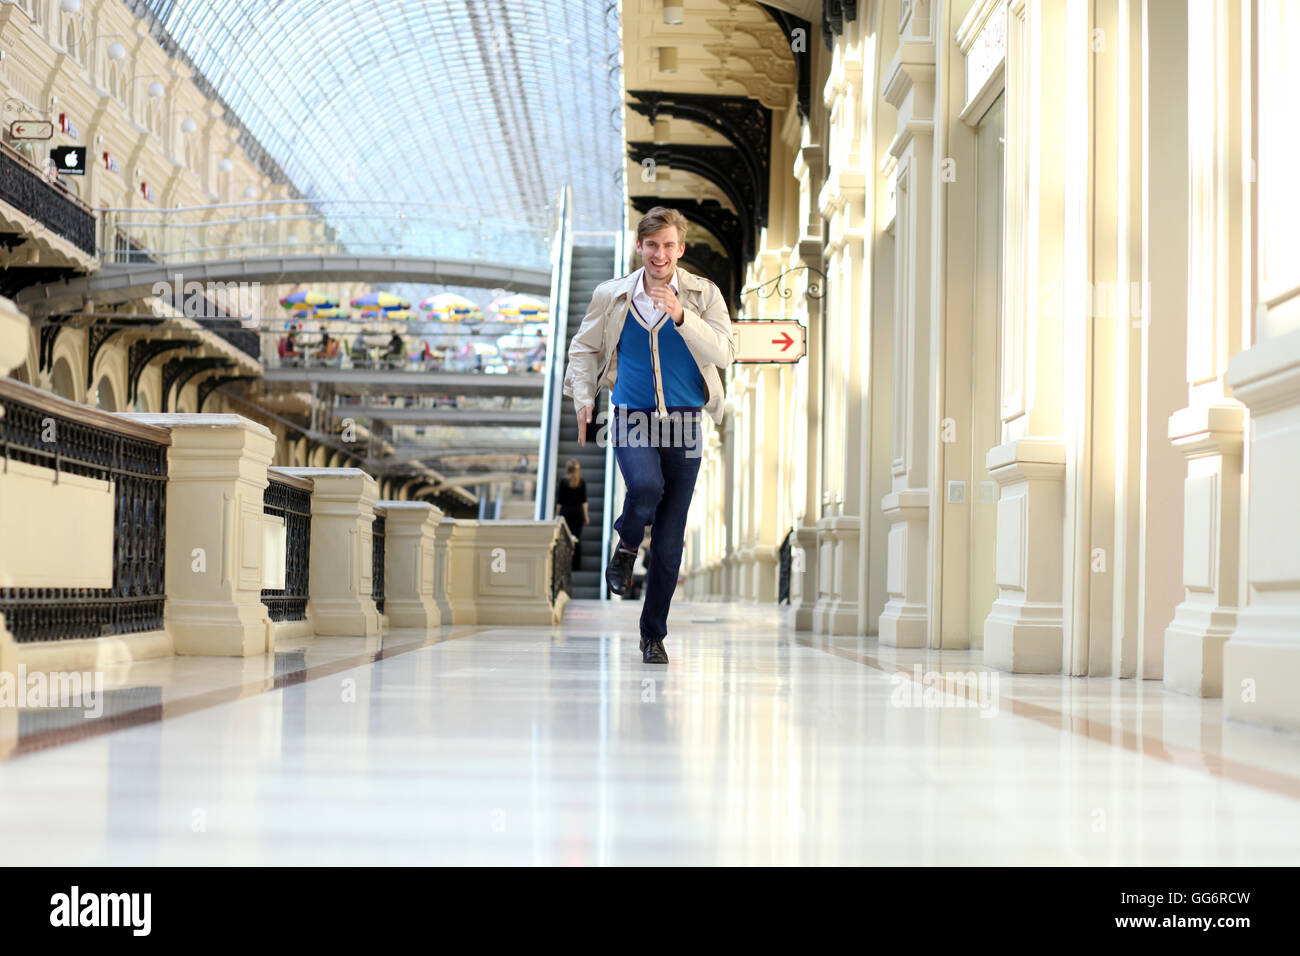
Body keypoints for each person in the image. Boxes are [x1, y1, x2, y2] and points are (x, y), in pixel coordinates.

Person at [561, 206, 736, 664]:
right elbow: (583, 348)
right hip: (631, 414)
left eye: (668, 245)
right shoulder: (611, 296)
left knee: (671, 543)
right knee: (644, 486)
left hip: (685, 421)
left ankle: (652, 634)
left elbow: (724, 351)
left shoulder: (704, 294)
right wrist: (584, 398)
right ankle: (625, 542)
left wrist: (682, 316)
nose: (660, 254)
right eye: (652, 245)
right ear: (640, 247)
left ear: (681, 249)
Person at [555, 459, 588, 571]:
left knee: (566, 539)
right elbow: (584, 502)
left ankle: (565, 564)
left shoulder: (563, 481)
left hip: (566, 513)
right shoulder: (582, 482)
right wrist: (586, 516)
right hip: (578, 513)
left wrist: (557, 515)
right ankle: (577, 565)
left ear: (567, 469)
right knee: (577, 539)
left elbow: (560, 501)